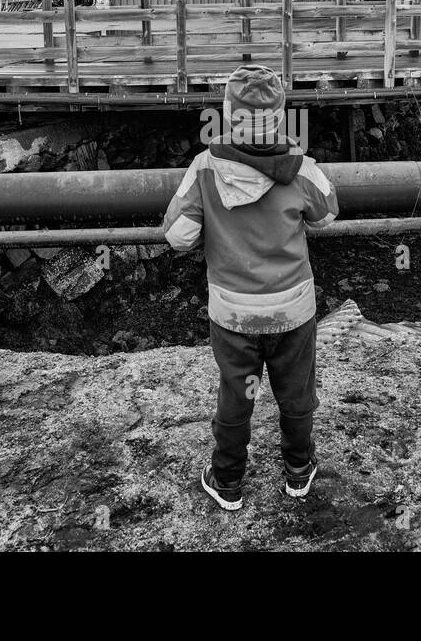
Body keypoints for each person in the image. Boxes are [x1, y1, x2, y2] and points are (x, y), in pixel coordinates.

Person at [162, 66, 339, 511]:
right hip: (292, 310)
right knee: (296, 392)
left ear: (227, 113)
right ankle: (299, 471)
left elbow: (178, 236)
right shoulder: (302, 169)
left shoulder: (204, 167)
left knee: (237, 393)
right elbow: (327, 215)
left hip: (233, 313)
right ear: (279, 116)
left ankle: (228, 481)